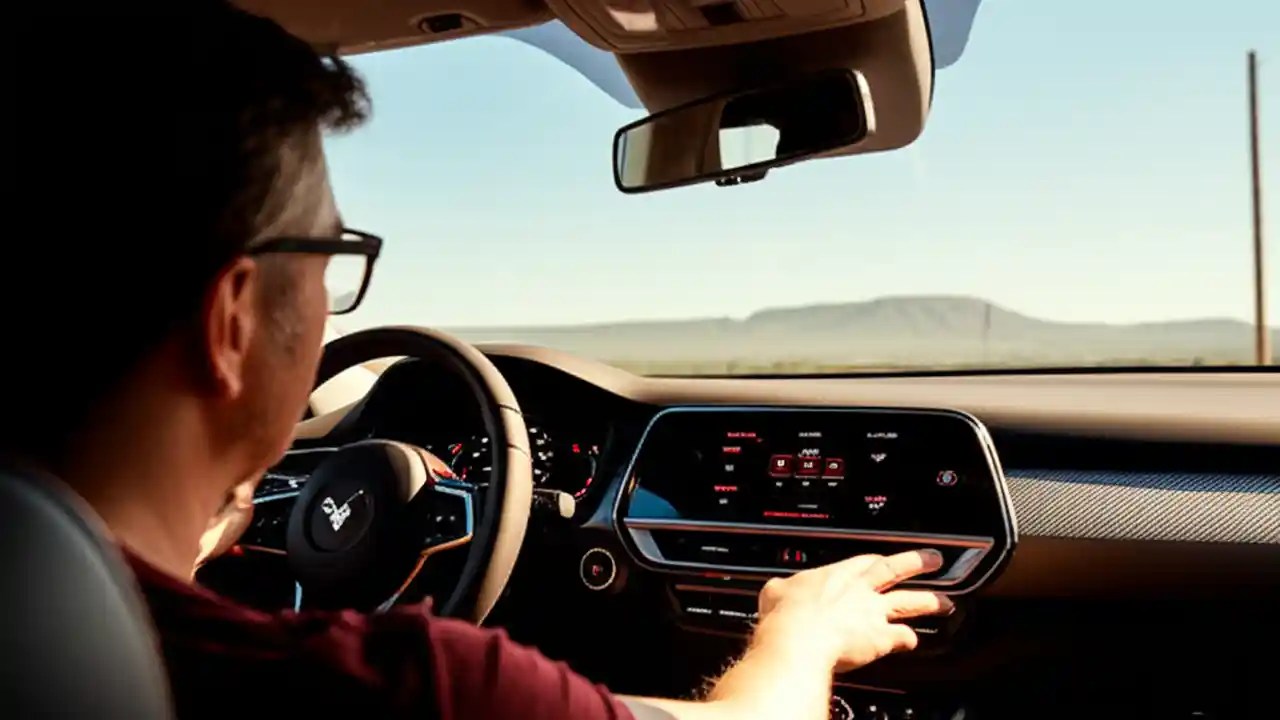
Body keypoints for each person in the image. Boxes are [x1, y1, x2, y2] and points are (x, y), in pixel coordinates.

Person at [7, 3, 953, 719]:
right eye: (328, 258)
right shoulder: (424, 688)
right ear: (234, 319)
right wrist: (800, 634)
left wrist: (199, 527)